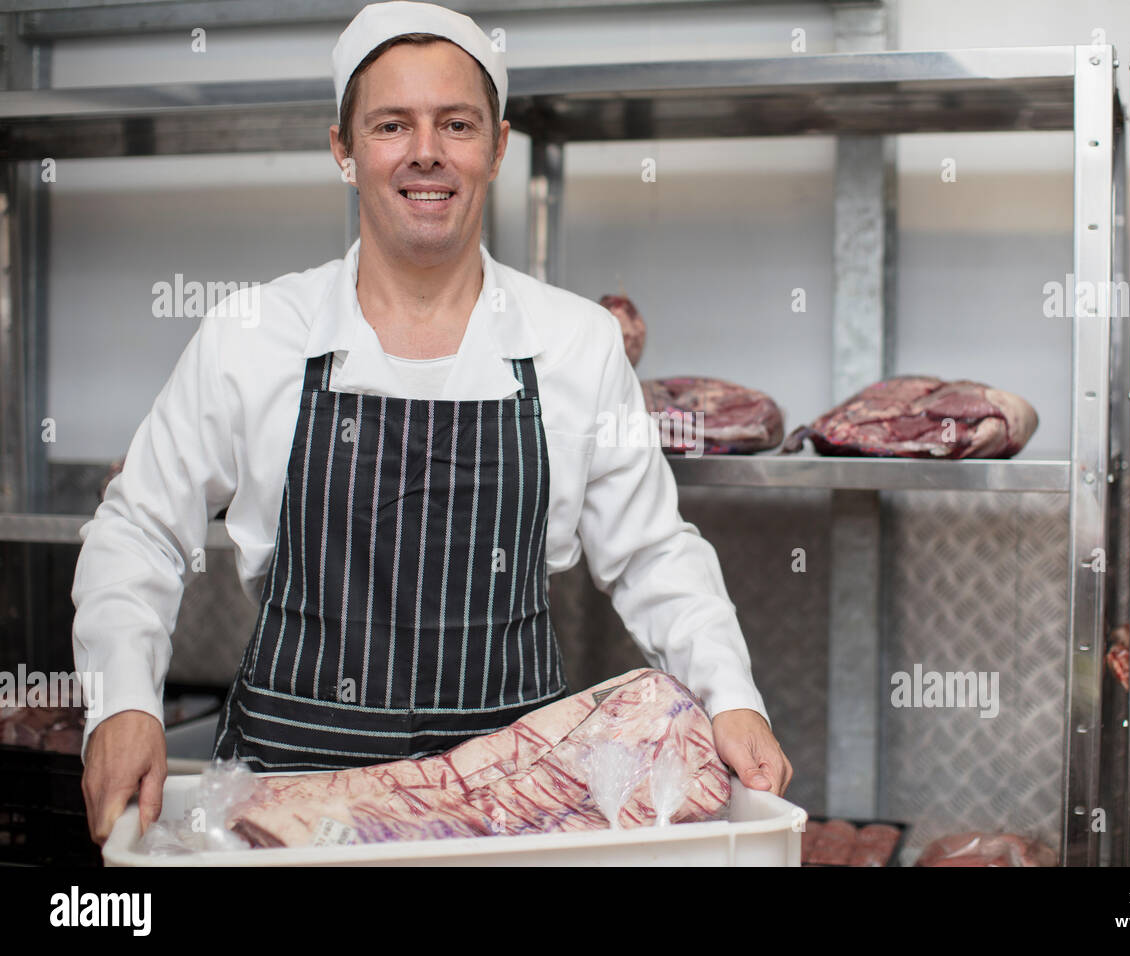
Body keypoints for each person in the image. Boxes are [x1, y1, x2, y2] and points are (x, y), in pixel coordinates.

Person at [73, 0, 791, 845]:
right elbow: (140, 526)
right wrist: (122, 700)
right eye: (390, 125)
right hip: (287, 808)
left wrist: (732, 697)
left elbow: (654, 553)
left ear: (496, 146)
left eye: (456, 123)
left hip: (515, 811)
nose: (425, 151)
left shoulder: (576, 344)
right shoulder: (251, 336)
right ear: (342, 149)